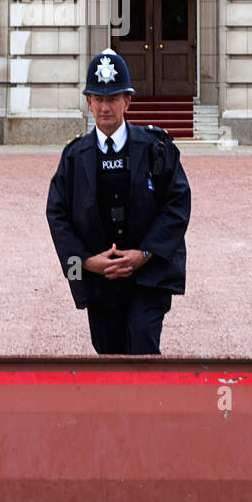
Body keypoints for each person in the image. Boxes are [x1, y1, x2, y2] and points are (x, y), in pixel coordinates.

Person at [46, 47, 191, 355]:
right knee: (108, 357)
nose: (105, 107)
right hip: (100, 282)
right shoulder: (73, 158)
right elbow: (57, 215)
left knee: (142, 346)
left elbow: (177, 204)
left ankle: (152, 404)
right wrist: (85, 261)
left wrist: (146, 253)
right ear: (88, 102)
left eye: (112, 98)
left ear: (127, 101)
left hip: (148, 277)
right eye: (98, 98)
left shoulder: (157, 149)